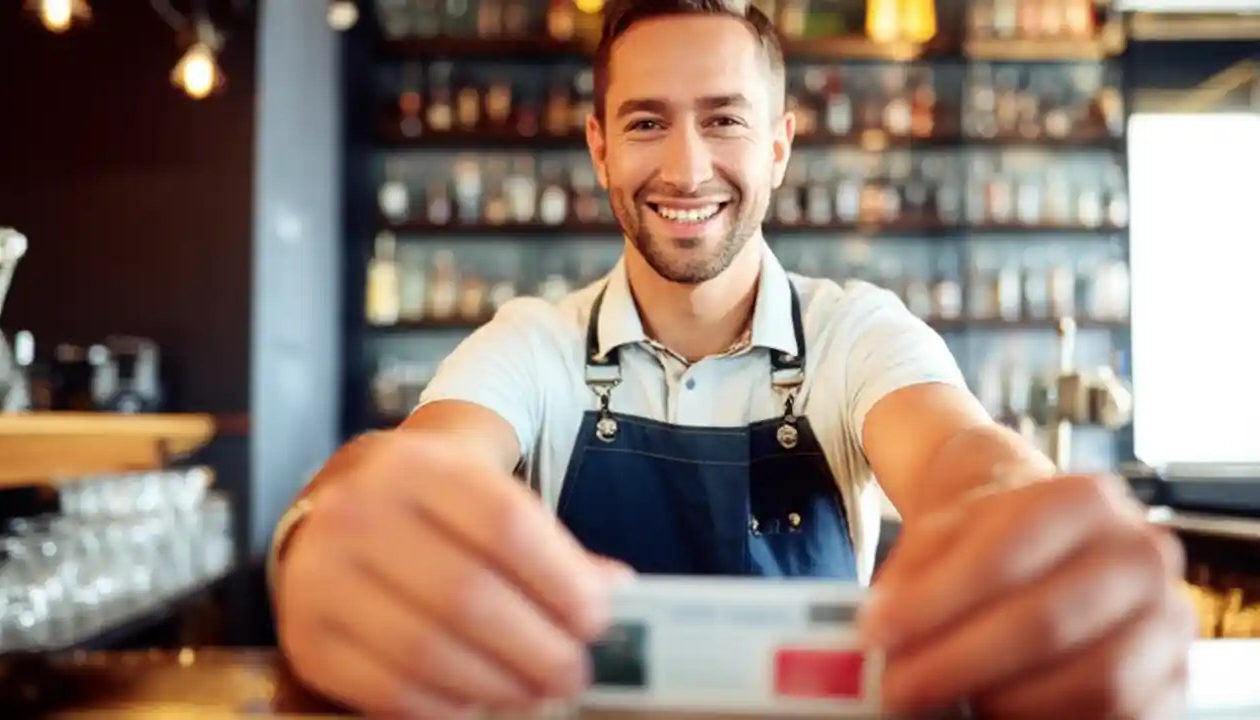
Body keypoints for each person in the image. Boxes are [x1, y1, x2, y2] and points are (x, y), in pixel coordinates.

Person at [271, 1, 1195, 717]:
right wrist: (320, 539)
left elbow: (966, 458)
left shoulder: (858, 334)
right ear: (597, 147)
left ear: (780, 144)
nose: (685, 166)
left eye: (723, 120)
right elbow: (407, 467)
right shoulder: (534, 344)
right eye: (644, 124)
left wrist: (1031, 533)